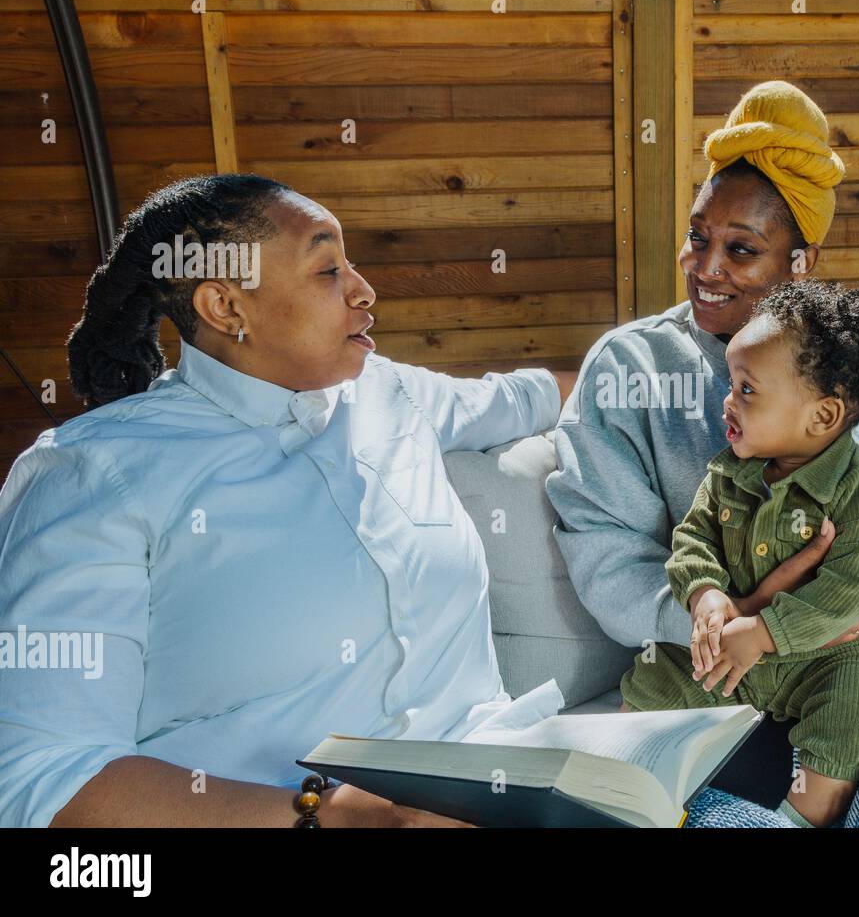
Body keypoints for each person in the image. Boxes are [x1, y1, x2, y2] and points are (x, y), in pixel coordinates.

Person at [0, 174, 575, 827]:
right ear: (225, 308)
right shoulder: (89, 473)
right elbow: (39, 778)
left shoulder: (394, 395)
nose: (364, 290)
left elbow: (533, 395)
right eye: (328, 269)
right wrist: (326, 818)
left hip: (503, 791)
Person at [546, 80, 859, 806]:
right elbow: (609, 559)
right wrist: (738, 622)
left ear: (801, 264)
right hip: (708, 676)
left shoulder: (850, 372)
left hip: (851, 666)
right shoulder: (630, 370)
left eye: (742, 250)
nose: (706, 268)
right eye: (699, 238)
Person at [621, 280, 859, 827]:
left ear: (822, 417)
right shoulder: (728, 471)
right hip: (731, 650)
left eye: (747, 390)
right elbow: (694, 539)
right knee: (656, 674)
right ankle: (623, 785)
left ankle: (799, 815)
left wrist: (764, 633)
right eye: (731, 383)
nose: (728, 402)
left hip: (825, 658)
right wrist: (705, 594)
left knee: (854, 707)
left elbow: (847, 592)